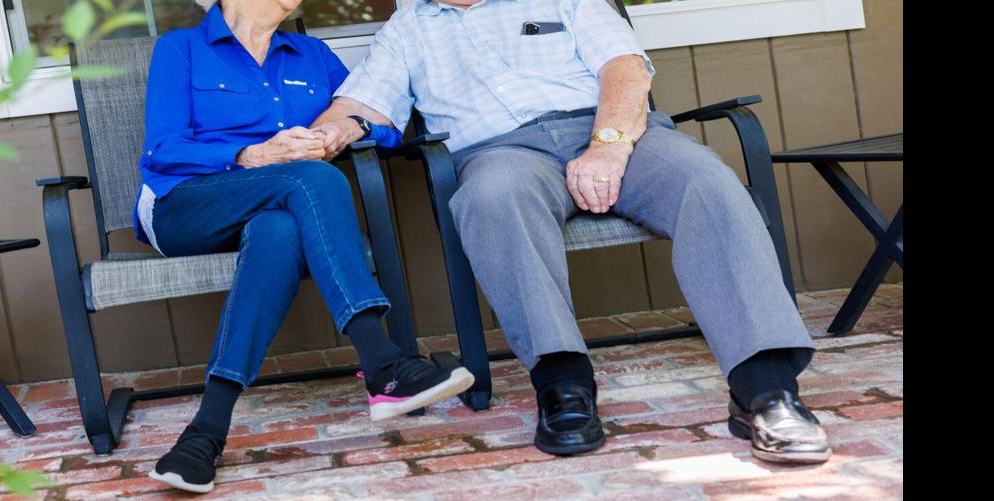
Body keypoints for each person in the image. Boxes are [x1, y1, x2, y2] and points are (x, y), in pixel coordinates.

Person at [302, 0, 831, 463]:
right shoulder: (407, 28)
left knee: (706, 182)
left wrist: (607, 145)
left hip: (615, 133)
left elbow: (624, 68)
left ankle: (767, 390)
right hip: (503, 151)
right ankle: (563, 385)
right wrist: (325, 135)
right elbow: (363, 104)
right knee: (492, 198)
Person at [136, 0, 475, 493]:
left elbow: (380, 124)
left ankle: (205, 432)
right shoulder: (181, 48)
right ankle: (382, 362)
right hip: (186, 205)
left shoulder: (312, 54)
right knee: (311, 178)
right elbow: (163, 150)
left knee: (279, 231)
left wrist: (345, 130)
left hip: (276, 205)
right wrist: (250, 154)